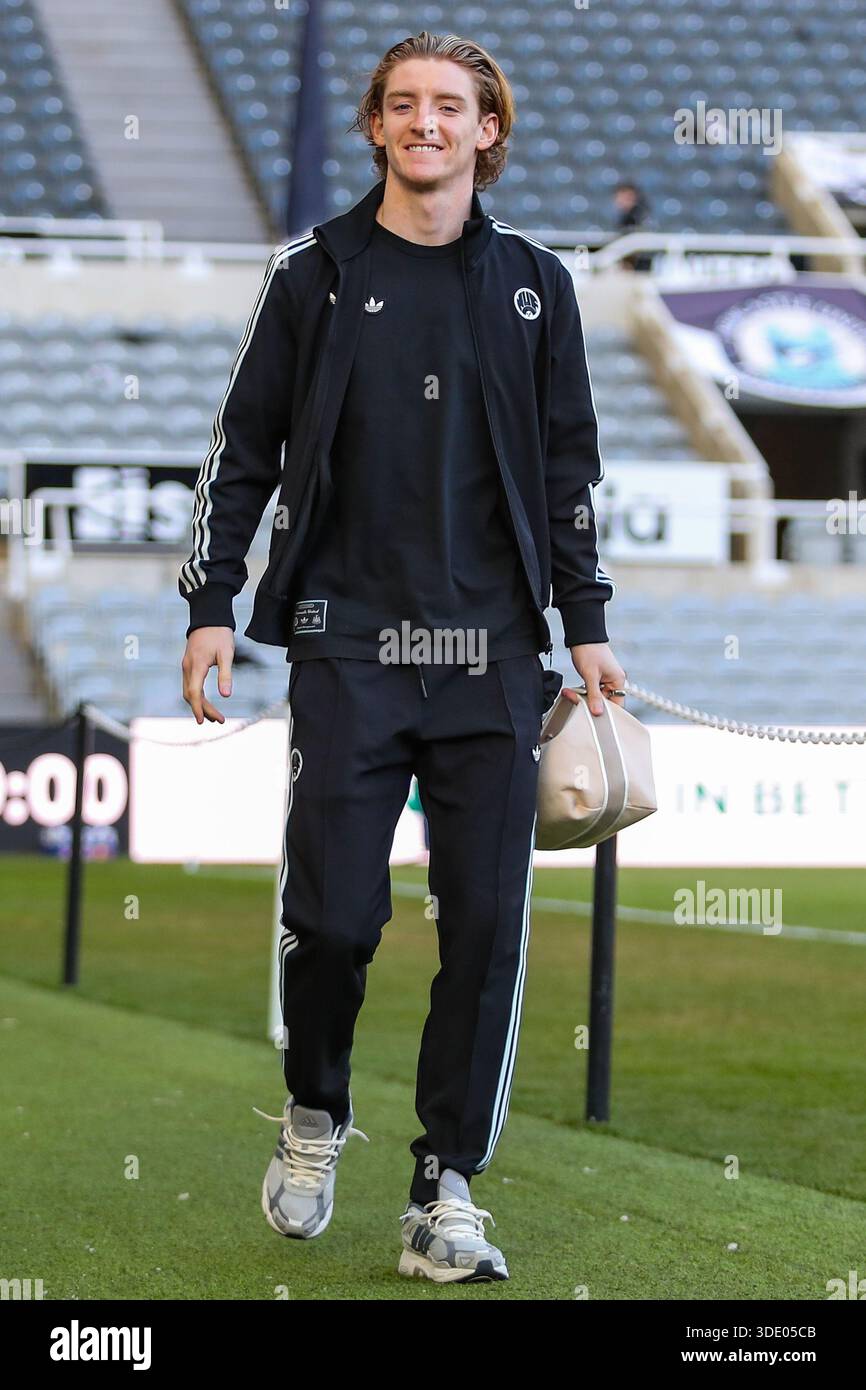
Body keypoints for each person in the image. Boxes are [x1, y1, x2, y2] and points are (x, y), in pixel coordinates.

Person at [179, 29, 625, 1286]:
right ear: (375, 126)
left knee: (482, 930)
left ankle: (445, 1188)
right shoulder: (312, 273)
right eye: (404, 104)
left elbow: (566, 467)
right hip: (347, 646)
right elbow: (242, 447)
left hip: (493, 657)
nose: (427, 122)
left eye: (452, 106)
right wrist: (212, 600)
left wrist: (583, 624)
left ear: (489, 131)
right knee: (332, 920)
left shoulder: (537, 284)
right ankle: (315, 1112)